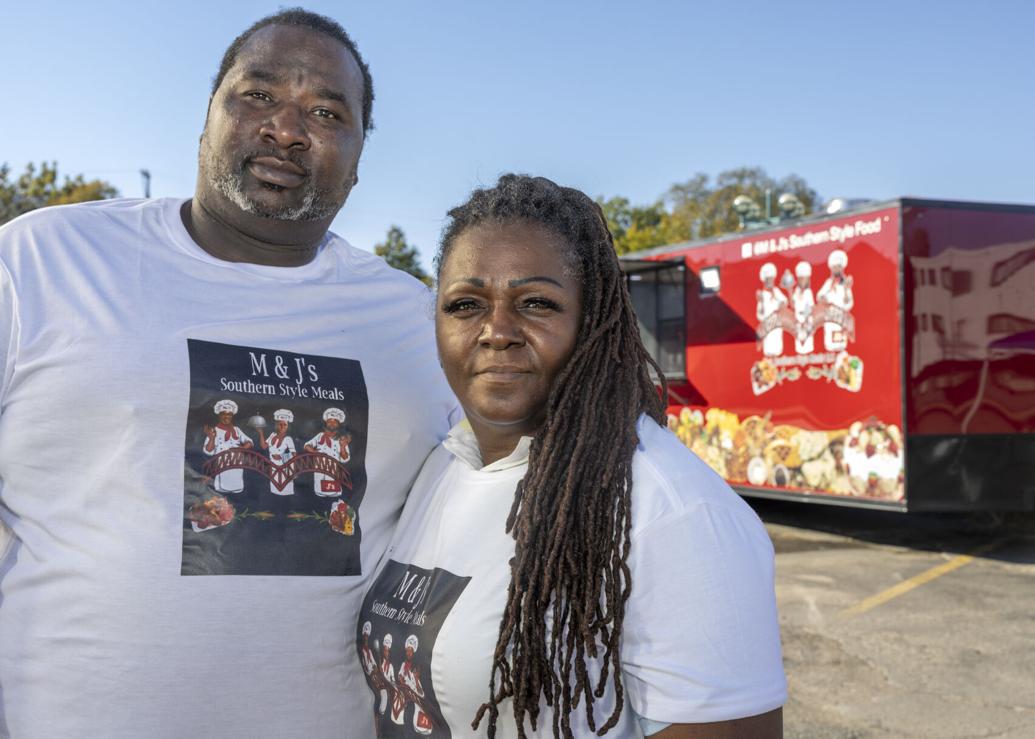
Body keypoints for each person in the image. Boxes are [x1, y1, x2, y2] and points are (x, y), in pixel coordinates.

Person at [0, 8, 457, 737]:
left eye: (327, 111)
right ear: (205, 116)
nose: (287, 127)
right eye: (257, 94)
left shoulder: (420, 325)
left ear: (360, 154)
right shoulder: (41, 263)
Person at [357, 175, 786, 738]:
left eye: (537, 302)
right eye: (465, 304)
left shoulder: (675, 513)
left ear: (593, 320)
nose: (497, 332)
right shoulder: (445, 466)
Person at [203, 398, 254, 493]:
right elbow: (208, 451)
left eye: (229, 414)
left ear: (232, 416)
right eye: (223, 414)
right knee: (222, 492)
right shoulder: (214, 431)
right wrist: (212, 438)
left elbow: (249, 443)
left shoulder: (237, 430)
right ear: (219, 415)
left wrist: (241, 448)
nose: (226, 417)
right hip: (222, 468)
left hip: (237, 468)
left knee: (237, 490)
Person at [305, 406, 351, 496]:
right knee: (319, 494)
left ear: (339, 424)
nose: (332, 424)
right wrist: (314, 451)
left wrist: (342, 446)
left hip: (333, 472)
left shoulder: (342, 438)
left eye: (335, 422)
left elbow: (345, 458)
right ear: (326, 423)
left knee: (333, 494)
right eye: (330, 421)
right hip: (320, 470)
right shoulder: (320, 436)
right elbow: (307, 446)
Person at [817, 249, 854, 351]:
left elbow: (849, 303)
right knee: (829, 346)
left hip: (840, 320)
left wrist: (846, 289)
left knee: (839, 346)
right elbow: (819, 296)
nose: (836, 269)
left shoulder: (845, 284)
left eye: (838, 266)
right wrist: (823, 299)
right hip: (829, 321)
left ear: (842, 268)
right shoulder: (828, 283)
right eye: (834, 267)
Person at [257, 407, 297, 494]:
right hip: (274, 469)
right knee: (275, 490)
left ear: (287, 426)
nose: (282, 426)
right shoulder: (272, 435)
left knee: (286, 491)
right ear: (276, 425)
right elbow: (264, 446)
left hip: (285, 470)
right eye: (280, 424)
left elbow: (294, 454)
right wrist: (261, 433)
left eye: (285, 424)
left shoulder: (288, 439)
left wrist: (281, 456)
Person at [756, 262, 788, 357]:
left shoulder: (777, 292)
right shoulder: (762, 295)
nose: (770, 281)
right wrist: (761, 301)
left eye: (771, 279)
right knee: (769, 347)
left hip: (777, 327)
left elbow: (784, 302)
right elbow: (760, 315)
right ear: (764, 280)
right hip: (768, 327)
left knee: (777, 345)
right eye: (768, 279)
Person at [791, 261, 815, 355]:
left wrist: (806, 319)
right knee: (799, 344)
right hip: (798, 322)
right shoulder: (796, 291)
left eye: (804, 278)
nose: (802, 281)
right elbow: (793, 305)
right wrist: (789, 290)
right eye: (800, 278)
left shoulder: (808, 292)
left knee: (807, 342)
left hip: (807, 322)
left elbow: (810, 307)